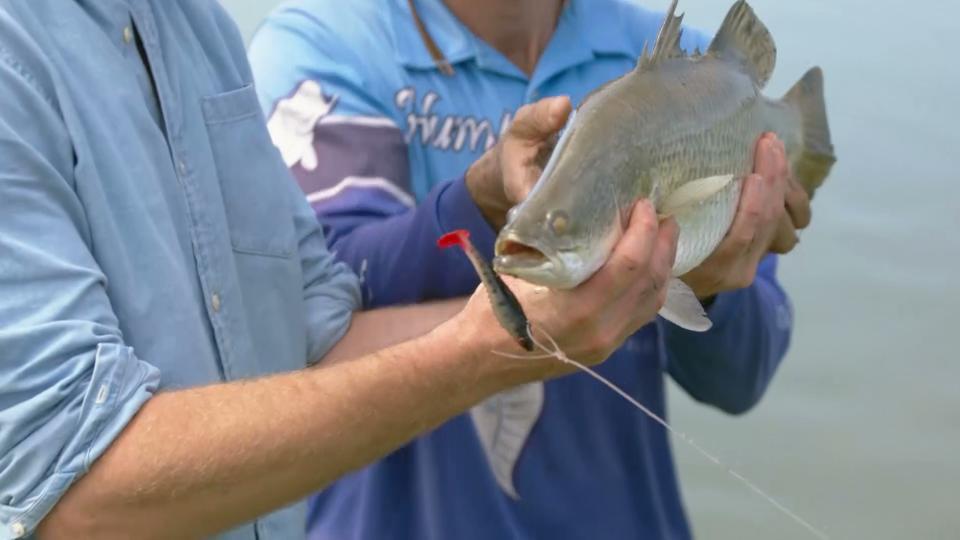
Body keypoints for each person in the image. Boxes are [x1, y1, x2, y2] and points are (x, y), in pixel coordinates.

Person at [0, 1, 686, 538]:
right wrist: (493, 345)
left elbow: (314, 336)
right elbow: (76, 490)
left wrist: (555, 295)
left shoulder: (201, 30)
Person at [248, 0, 815, 538]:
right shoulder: (326, 47)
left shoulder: (687, 69)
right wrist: (476, 201)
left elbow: (743, 377)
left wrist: (706, 277)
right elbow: (309, 316)